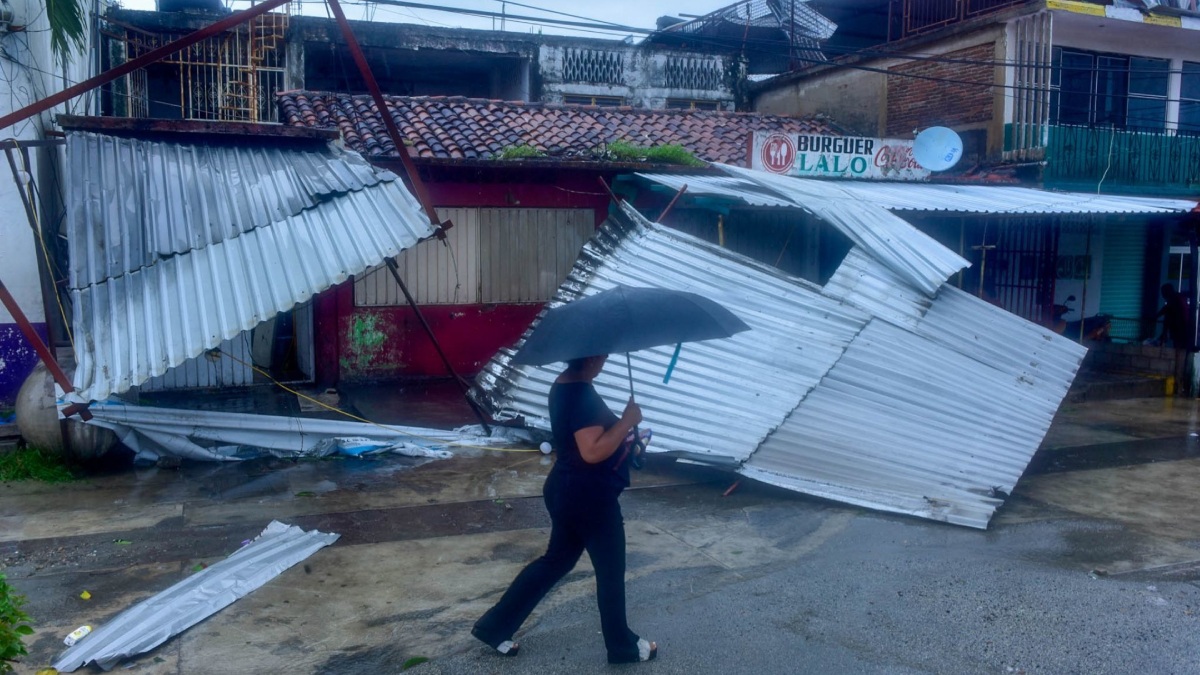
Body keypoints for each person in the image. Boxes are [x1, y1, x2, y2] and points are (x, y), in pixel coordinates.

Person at [471, 354, 658, 664]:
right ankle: (621, 645)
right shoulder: (581, 393)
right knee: (610, 570)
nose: (605, 361)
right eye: (602, 356)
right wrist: (627, 421)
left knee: (555, 561)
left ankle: (494, 626)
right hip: (589, 499)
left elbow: (589, 439)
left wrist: (628, 438)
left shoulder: (564, 385)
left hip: (567, 490)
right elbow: (592, 451)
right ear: (590, 357)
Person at [1157, 283, 1191, 394]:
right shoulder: (1177, 298)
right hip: (1183, 335)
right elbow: (1166, 311)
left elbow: (1167, 317)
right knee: (1180, 360)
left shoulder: (1174, 302)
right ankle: (1179, 385)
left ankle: (1179, 385)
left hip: (1181, 335)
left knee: (1179, 362)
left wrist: (1164, 335)